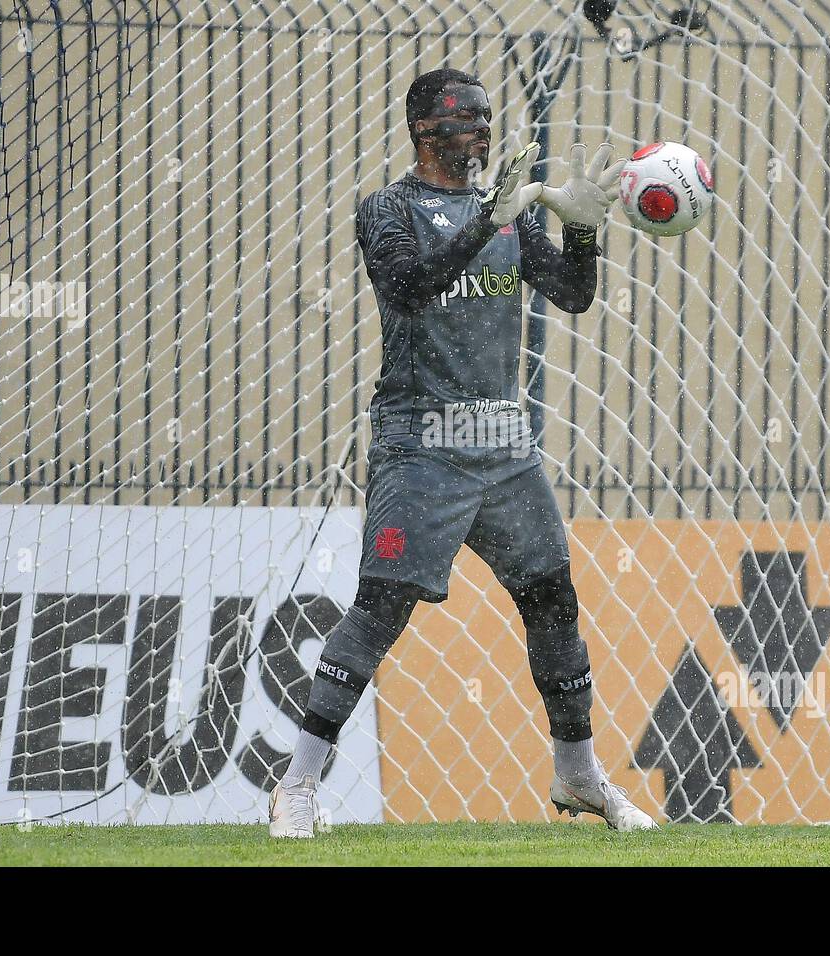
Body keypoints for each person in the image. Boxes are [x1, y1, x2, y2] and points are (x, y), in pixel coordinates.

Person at [269, 67, 656, 837]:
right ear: (423, 130)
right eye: (464, 118)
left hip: (505, 451)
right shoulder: (389, 210)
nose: (481, 130)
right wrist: (487, 224)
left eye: (485, 117)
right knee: (381, 609)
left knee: (553, 599)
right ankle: (298, 785)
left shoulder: (504, 213)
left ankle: (578, 776)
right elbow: (409, 287)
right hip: (421, 448)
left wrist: (581, 226)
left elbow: (572, 294)